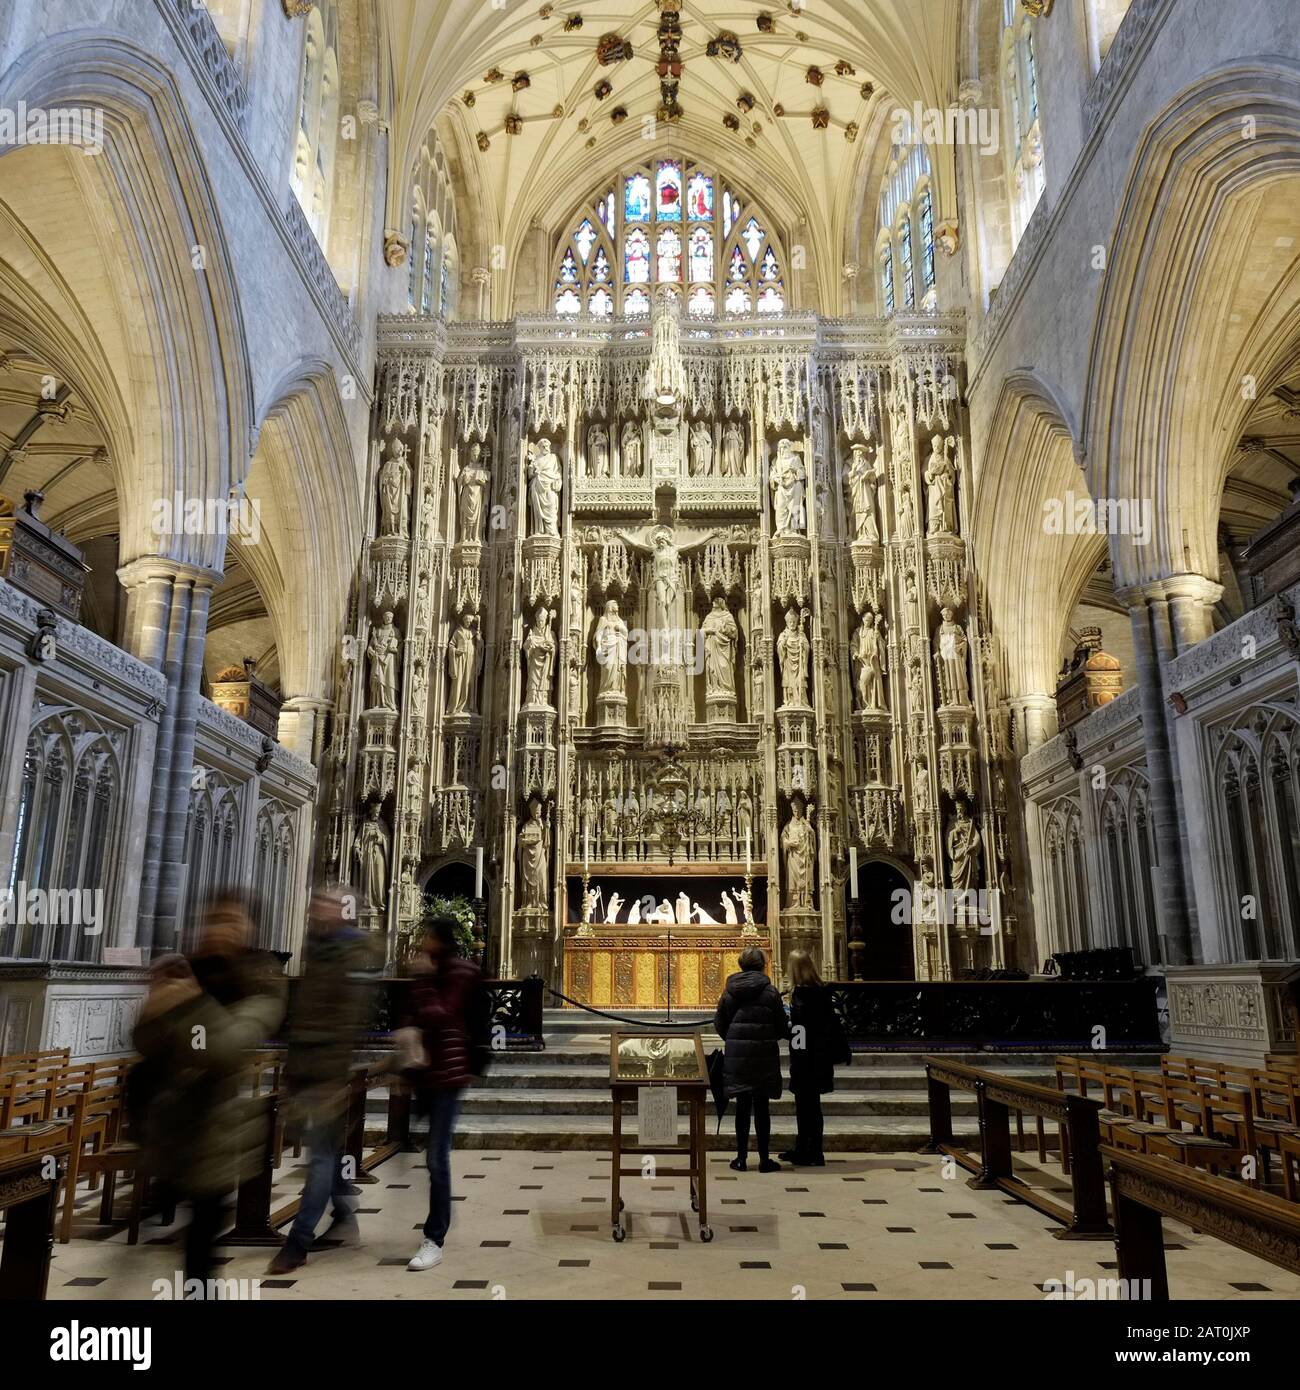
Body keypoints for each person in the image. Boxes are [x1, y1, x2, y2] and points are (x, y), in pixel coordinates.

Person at [132, 892, 286, 1290]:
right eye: (215, 918)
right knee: (184, 1256)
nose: (221, 929)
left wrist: (186, 1004)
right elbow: (147, 1043)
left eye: (233, 920)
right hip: (167, 1134)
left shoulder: (261, 980)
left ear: (250, 928)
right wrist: (153, 1010)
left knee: (200, 1256)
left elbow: (223, 1049)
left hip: (215, 1137)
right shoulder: (187, 971)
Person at [268, 886, 378, 1274]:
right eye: (316, 905)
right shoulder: (320, 950)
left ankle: (299, 1242)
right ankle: (345, 1219)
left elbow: (345, 1018)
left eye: (326, 906)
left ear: (344, 912)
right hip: (308, 1069)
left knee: (321, 1158)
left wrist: (331, 1075)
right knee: (327, 1153)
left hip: (326, 1074)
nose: (317, 912)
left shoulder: (347, 956)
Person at [405, 913, 485, 1270]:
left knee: (436, 1155)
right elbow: (412, 1017)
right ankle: (440, 1213)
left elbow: (440, 1014)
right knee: (432, 1155)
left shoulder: (460, 973)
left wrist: (421, 980)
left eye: (428, 937)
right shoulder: (434, 973)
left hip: (449, 1074)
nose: (423, 943)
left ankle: (435, 1237)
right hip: (427, 1074)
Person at [714, 946, 789, 1172]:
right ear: (762, 964)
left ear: (740, 964)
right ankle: (765, 1160)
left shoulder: (729, 991)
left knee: (742, 1106)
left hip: (738, 1056)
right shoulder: (771, 992)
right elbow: (781, 1025)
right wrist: (767, 1036)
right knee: (762, 1107)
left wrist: (733, 1039)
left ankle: (741, 1158)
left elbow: (719, 1022)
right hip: (764, 1054)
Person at [780, 949, 849, 1167]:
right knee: (812, 1106)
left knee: (805, 1105)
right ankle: (810, 1148)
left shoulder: (800, 997)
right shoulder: (823, 993)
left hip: (805, 1059)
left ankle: (808, 1151)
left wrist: (787, 1029)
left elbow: (799, 1031)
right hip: (821, 1057)